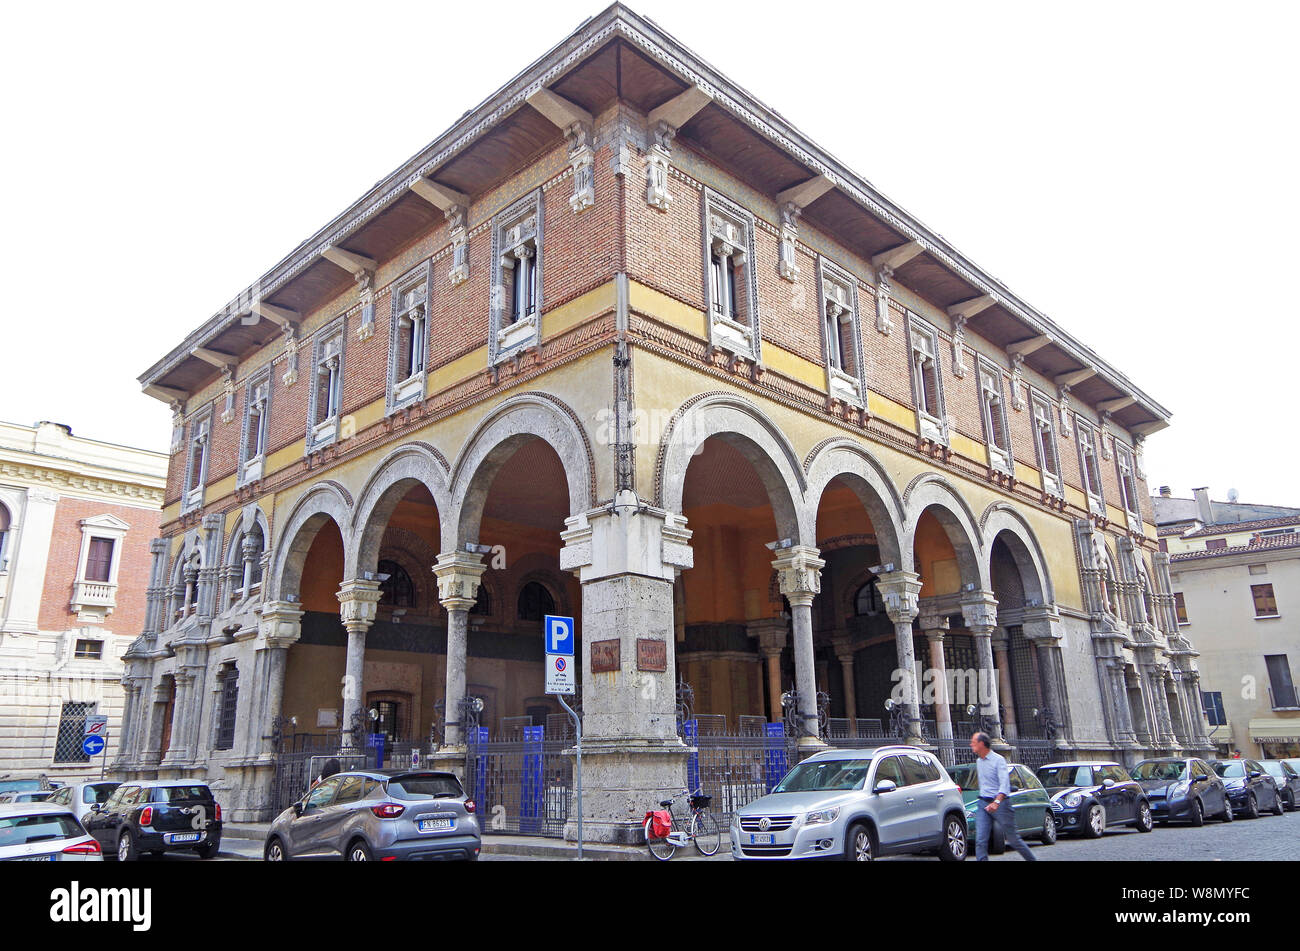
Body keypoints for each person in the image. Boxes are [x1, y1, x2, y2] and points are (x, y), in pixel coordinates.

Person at [970, 732, 1036, 862]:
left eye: (974, 742)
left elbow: (1004, 784)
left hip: (1001, 804)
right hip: (983, 803)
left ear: (982, 744)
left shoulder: (998, 760)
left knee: (1013, 839)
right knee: (980, 840)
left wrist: (996, 802)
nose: (971, 744)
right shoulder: (979, 761)